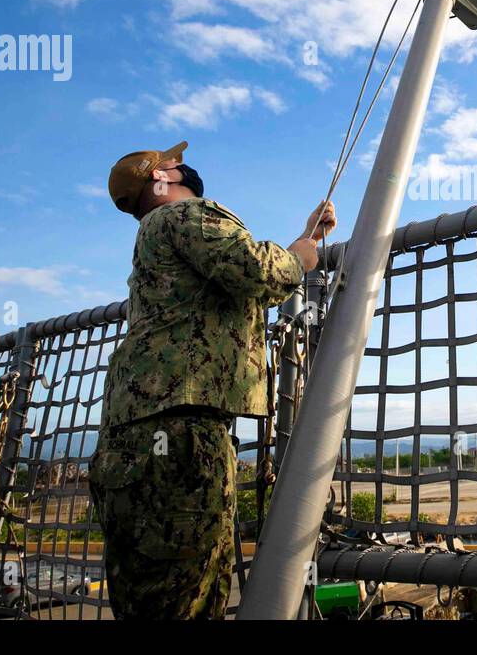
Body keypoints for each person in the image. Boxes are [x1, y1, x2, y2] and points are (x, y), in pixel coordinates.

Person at [89, 140, 335, 619]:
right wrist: (299, 259)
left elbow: (230, 288)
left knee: (149, 597)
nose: (182, 165)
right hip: (179, 433)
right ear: (159, 178)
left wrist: (305, 239)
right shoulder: (183, 215)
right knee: (189, 597)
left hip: (140, 434)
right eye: (172, 162)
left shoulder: (156, 239)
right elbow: (256, 271)